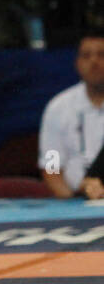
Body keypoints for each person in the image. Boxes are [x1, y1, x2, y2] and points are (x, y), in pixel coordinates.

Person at [39, 31, 104, 199]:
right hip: (76, 200)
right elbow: (51, 166)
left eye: (101, 55)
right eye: (86, 55)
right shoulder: (58, 108)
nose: (94, 61)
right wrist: (70, 202)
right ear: (77, 63)